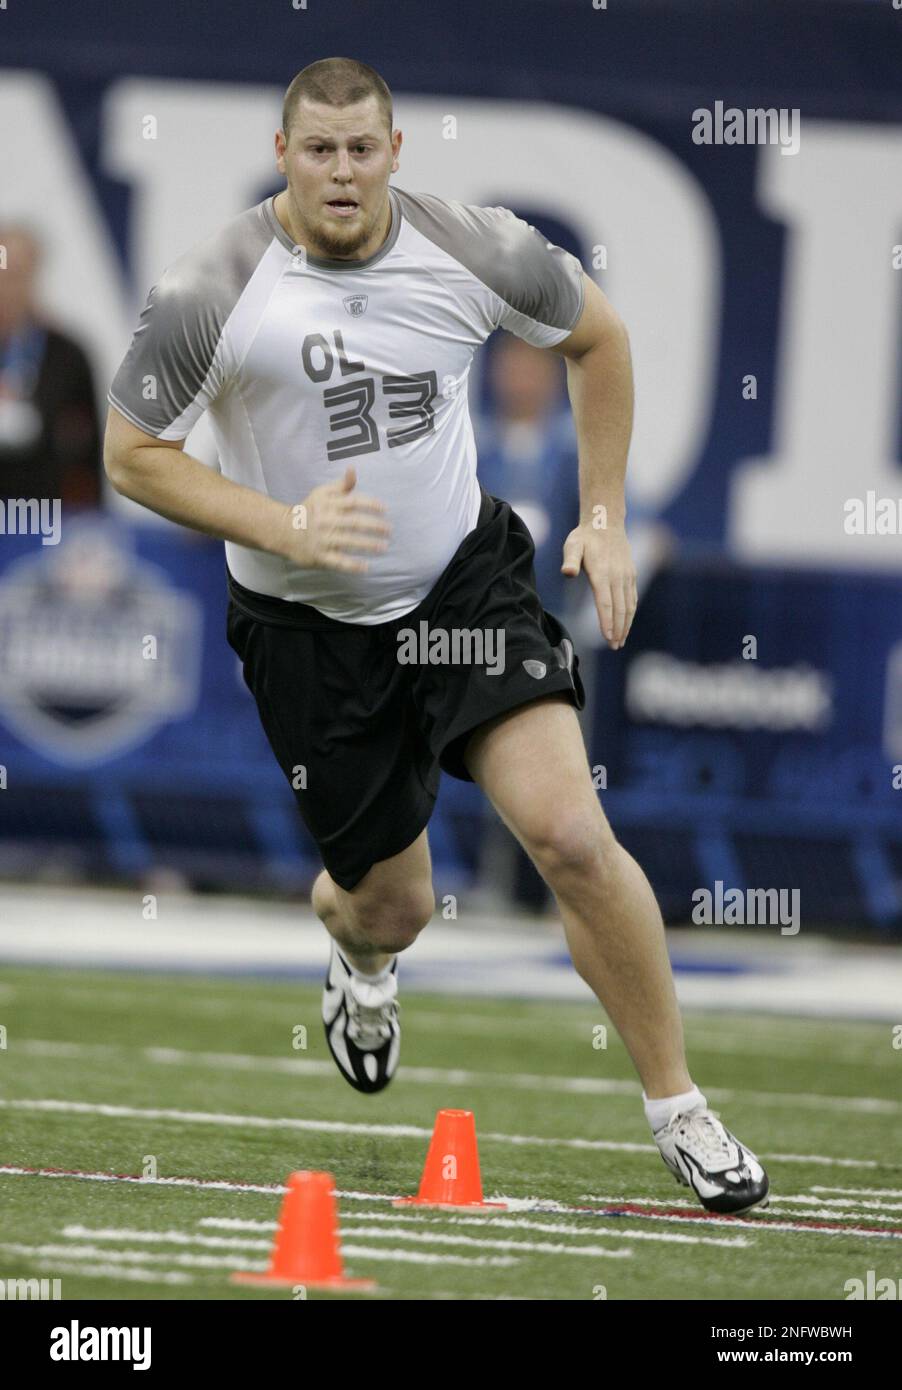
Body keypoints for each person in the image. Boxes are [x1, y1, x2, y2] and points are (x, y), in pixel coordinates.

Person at [103, 57, 768, 1216]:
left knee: (567, 831)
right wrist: (284, 524)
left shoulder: (472, 245)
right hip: (306, 628)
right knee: (393, 905)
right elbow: (130, 454)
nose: (343, 172)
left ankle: (679, 1107)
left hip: (463, 590)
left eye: (363, 149)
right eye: (319, 150)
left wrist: (602, 519)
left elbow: (597, 341)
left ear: (396, 153)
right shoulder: (213, 283)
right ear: (284, 153)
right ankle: (358, 954)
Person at [0, 224, 102, 506]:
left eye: (18, 275)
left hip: (40, 521)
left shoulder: (68, 356)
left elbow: (89, 455)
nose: (8, 287)